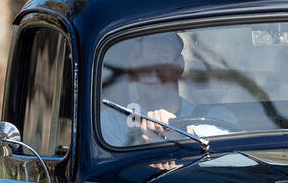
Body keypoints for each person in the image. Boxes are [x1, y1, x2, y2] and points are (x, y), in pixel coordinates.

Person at [99, 32, 236, 147]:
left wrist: (183, 132)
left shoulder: (214, 116)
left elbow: (236, 154)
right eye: (142, 62)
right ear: (130, 71)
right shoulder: (114, 121)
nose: (152, 71)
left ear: (180, 65)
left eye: (162, 59)